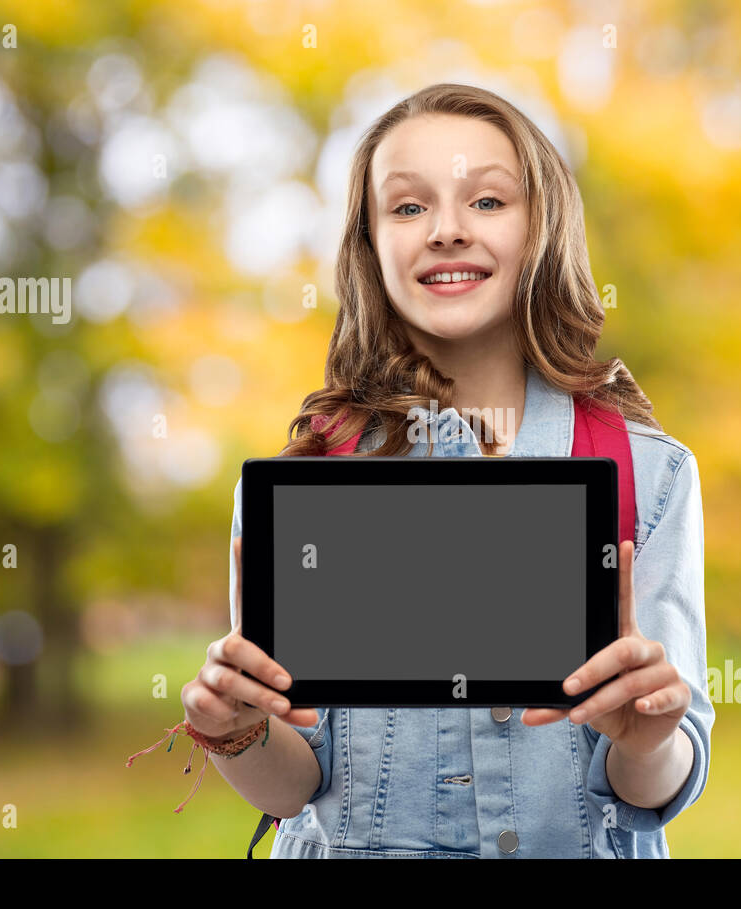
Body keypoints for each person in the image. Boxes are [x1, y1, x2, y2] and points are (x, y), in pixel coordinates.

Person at [179, 83, 713, 858]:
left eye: (488, 201)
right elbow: (298, 785)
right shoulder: (302, 486)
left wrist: (645, 741)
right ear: (370, 246)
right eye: (407, 208)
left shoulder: (648, 474)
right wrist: (237, 734)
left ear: (543, 229)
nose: (448, 231)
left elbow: (659, 781)